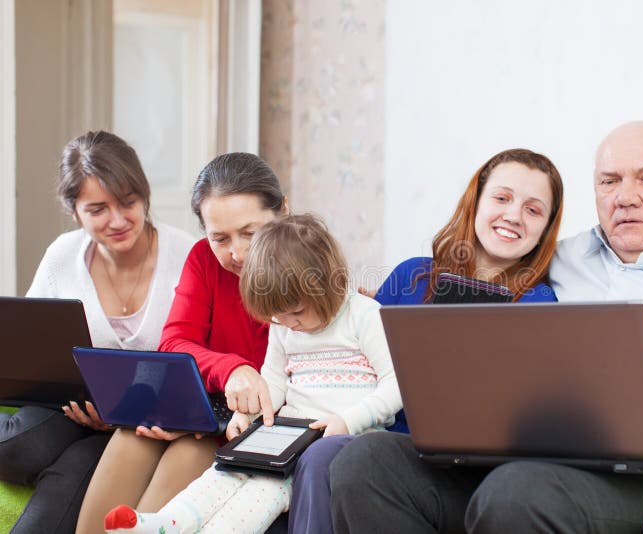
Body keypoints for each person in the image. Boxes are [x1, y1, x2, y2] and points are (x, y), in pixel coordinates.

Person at [328, 121, 643, 533]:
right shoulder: (562, 260)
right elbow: (488, 255)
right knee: (366, 461)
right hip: (528, 461)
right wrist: (362, 313)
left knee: (518, 492)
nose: (625, 196)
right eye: (608, 180)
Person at [288, 147, 565, 534]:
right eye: (502, 198)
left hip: (476, 472)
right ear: (477, 201)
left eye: (533, 210)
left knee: (348, 457)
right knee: (324, 456)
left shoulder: (541, 303)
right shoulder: (411, 277)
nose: (513, 215)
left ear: (546, 227)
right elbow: (355, 361)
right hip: (385, 440)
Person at [102, 213, 403, 533]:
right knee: (226, 470)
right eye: (277, 315)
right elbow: (272, 381)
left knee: (261, 493)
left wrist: (348, 420)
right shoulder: (284, 326)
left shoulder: (364, 316)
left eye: (297, 312)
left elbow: (396, 384)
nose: (288, 323)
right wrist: (249, 414)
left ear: (326, 284)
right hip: (289, 432)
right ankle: (168, 522)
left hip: (348, 438)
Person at [76, 152, 288, 534]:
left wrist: (214, 415)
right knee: (132, 433)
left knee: (188, 452)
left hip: (253, 422)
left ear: (283, 212)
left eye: (250, 233)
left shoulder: (309, 272)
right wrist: (230, 370)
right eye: (219, 237)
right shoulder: (204, 259)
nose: (236, 253)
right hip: (204, 401)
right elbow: (174, 342)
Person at [0, 131, 195, 534]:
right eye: (98, 209)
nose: (119, 220)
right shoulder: (62, 255)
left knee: (65, 482)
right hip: (70, 408)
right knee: (21, 447)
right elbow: (28, 339)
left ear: (144, 195)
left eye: (129, 202)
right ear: (74, 211)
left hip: (135, 430)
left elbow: (200, 360)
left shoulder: (187, 256)